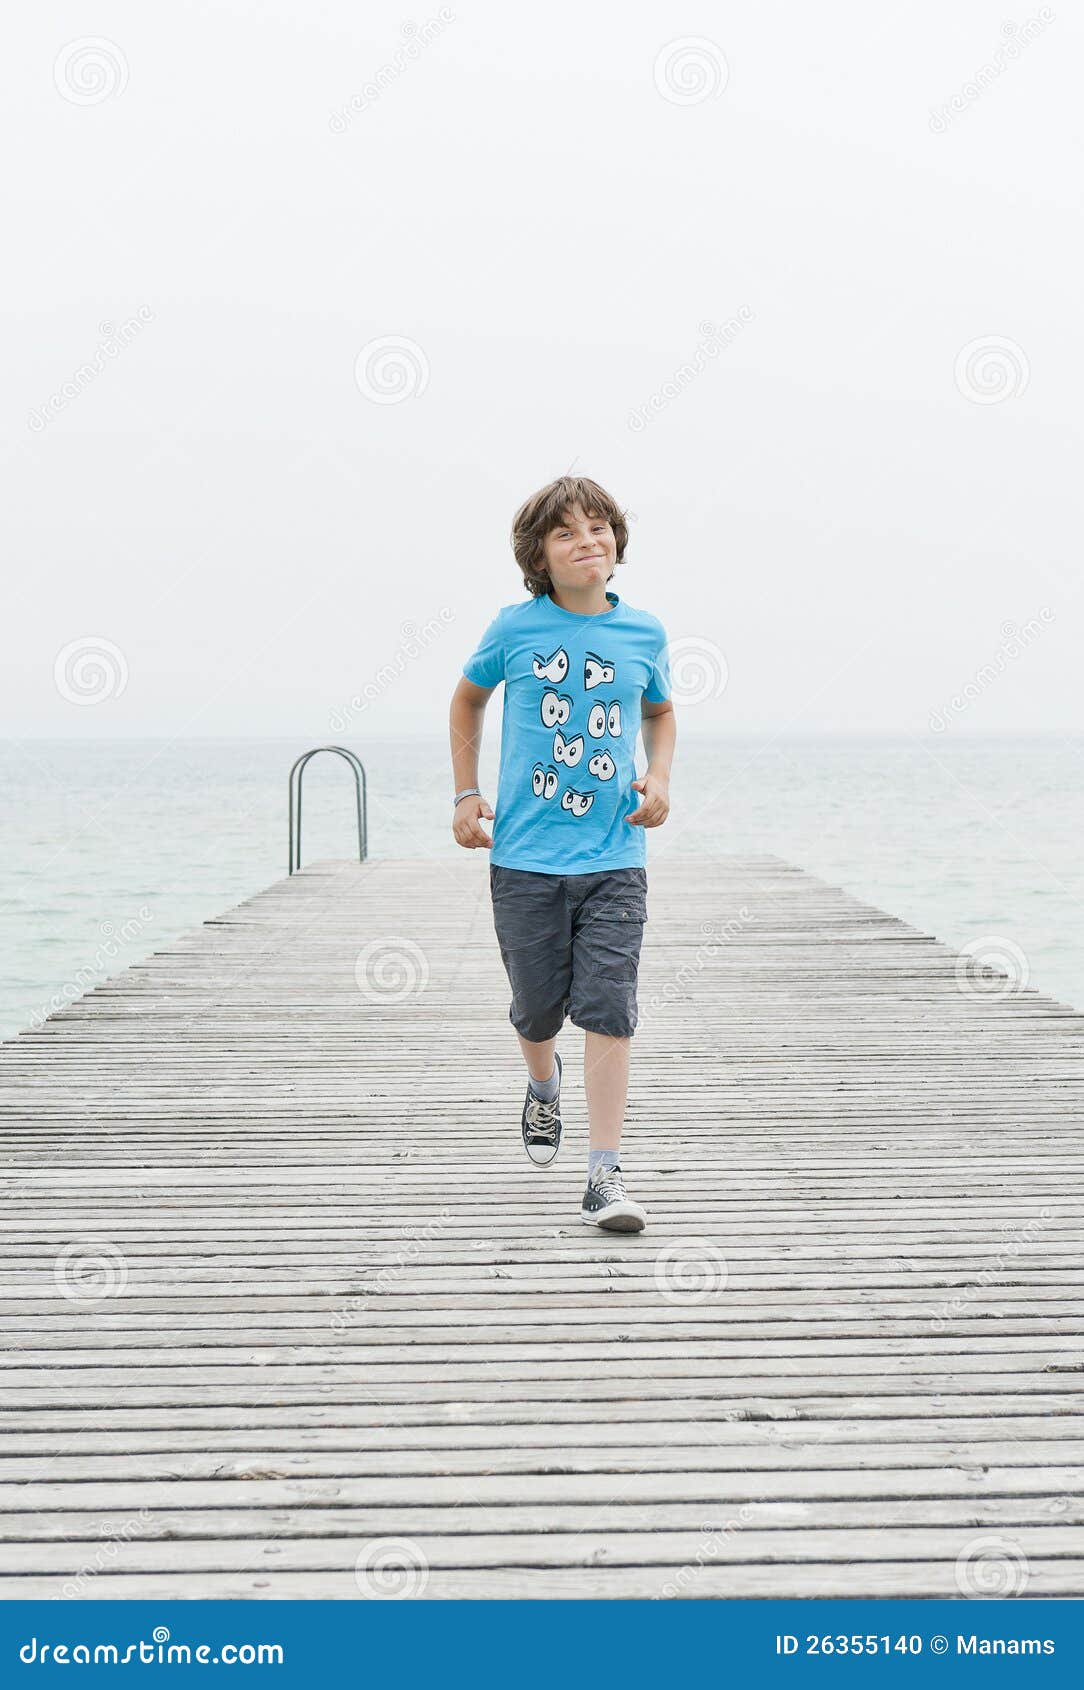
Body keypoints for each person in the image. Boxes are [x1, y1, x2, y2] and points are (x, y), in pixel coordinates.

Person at [448, 476, 676, 1231]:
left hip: (615, 857)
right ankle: (541, 1086)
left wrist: (660, 775)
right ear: (539, 557)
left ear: (618, 542)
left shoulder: (643, 633)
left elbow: (662, 711)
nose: (590, 542)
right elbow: (467, 699)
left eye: (600, 528)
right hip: (525, 859)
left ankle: (603, 1175)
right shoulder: (515, 630)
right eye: (568, 533)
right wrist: (465, 793)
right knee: (537, 1007)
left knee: (609, 1009)